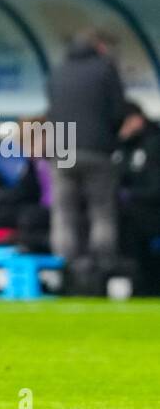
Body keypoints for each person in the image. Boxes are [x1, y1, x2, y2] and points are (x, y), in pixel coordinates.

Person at [46, 32, 128, 264]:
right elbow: (118, 111)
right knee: (101, 210)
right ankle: (102, 265)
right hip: (97, 148)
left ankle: (64, 265)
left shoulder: (58, 71)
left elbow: (52, 112)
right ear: (98, 48)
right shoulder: (105, 70)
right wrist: (110, 137)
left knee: (63, 212)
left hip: (63, 148)